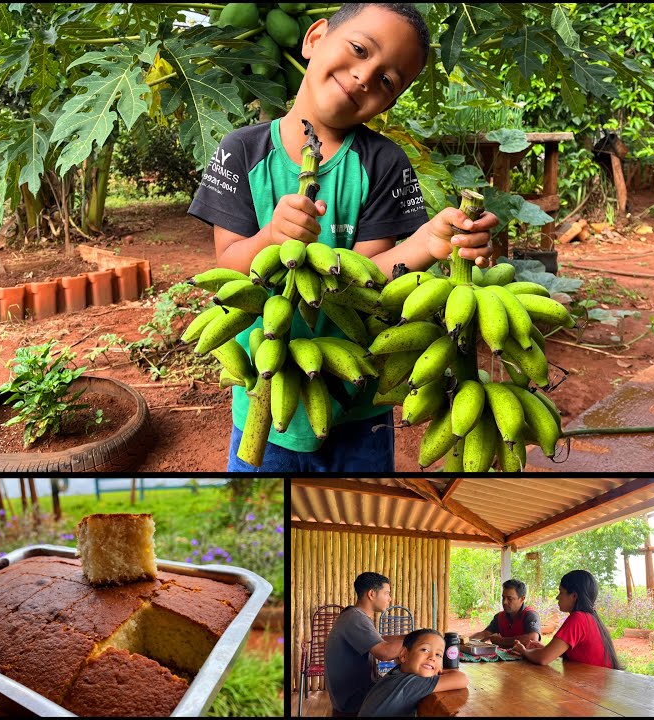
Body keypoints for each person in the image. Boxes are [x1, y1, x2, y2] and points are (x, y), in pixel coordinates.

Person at [188, 3, 501, 471]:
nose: (364, 77)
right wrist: (271, 237)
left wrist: (429, 244)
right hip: (266, 389)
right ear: (314, 38)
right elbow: (227, 272)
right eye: (359, 50)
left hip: (359, 400)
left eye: (387, 81)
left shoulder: (384, 163)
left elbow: (368, 282)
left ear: (391, 102)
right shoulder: (239, 151)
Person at [324, 572, 409, 717]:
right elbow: (384, 653)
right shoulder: (356, 618)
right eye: (386, 593)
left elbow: (379, 639)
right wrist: (420, 642)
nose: (390, 598)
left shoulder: (353, 615)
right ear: (371, 594)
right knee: (413, 694)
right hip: (353, 701)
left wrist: (410, 636)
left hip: (351, 696)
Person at [508, 570, 620, 669]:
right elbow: (580, 655)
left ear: (574, 596)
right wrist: (546, 649)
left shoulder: (578, 618)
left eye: (561, 592)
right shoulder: (590, 617)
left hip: (592, 687)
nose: (557, 597)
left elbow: (543, 658)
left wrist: (523, 651)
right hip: (597, 684)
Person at [357, 629, 468, 716]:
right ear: (404, 655)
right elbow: (462, 678)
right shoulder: (410, 683)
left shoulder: (397, 673)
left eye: (438, 655)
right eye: (425, 650)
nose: (432, 657)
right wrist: (437, 669)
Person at [469, 579, 542, 646]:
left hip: (525, 659)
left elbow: (532, 639)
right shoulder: (499, 617)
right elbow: (485, 634)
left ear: (522, 599)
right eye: (503, 598)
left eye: (510, 599)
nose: (504, 602)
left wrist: (502, 641)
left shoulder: (530, 615)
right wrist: (464, 640)